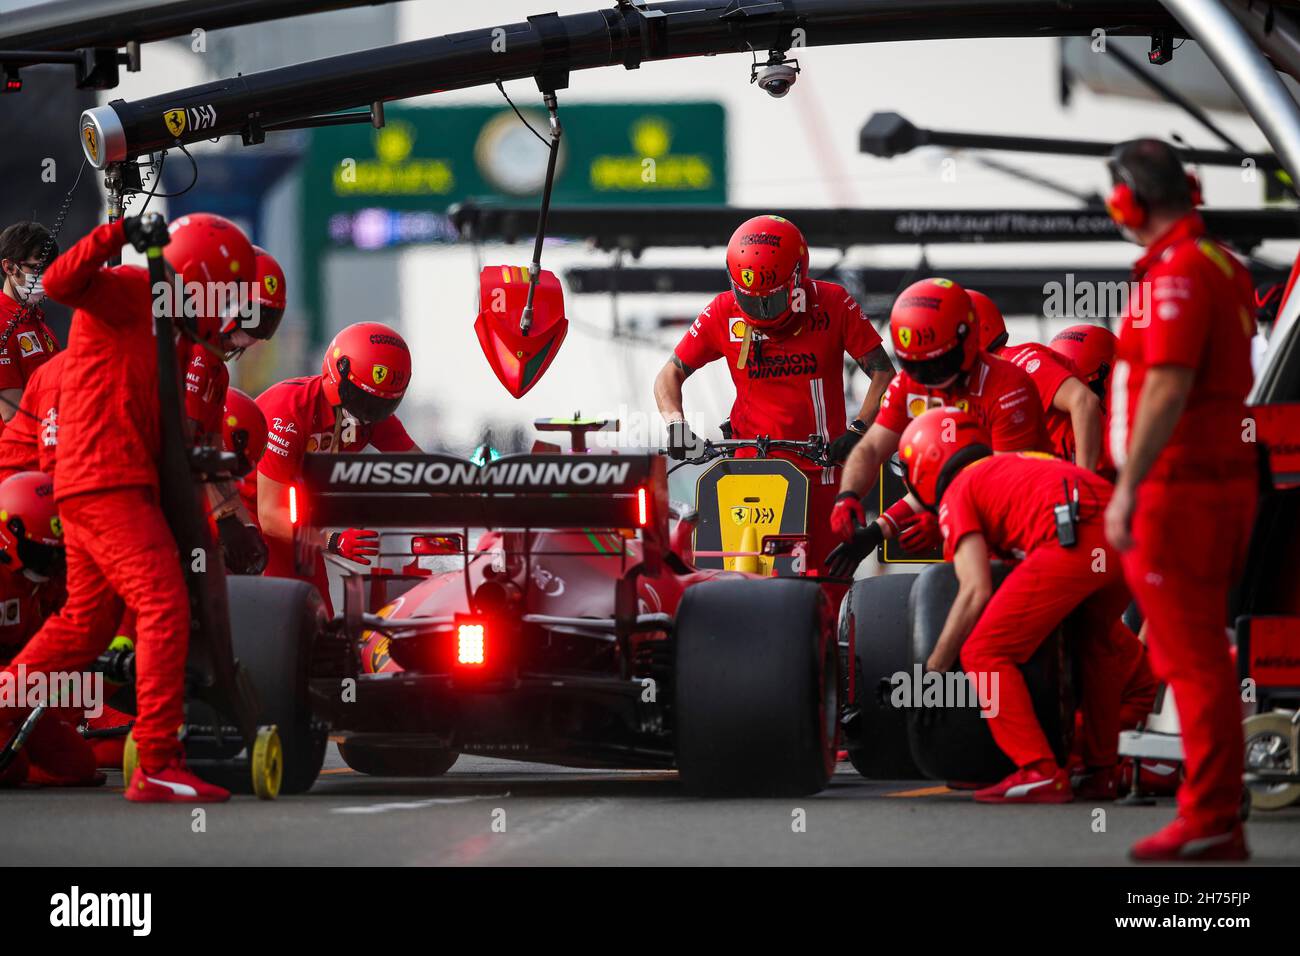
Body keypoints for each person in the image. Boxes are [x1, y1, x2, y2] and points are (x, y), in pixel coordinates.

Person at [1, 211, 257, 803]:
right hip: (105, 481)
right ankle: (158, 763)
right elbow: (63, 281)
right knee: (163, 603)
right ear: (193, 276)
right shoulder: (131, 291)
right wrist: (116, 236)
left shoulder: (168, 322)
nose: (227, 310)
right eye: (223, 291)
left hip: (95, 482)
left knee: (85, 625)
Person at [1102, 138, 1257, 861]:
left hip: (1176, 488)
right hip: (1216, 480)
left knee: (1190, 660)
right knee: (1201, 657)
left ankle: (1212, 816)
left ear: (1126, 200)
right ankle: (1217, 814)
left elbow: (1166, 382)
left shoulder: (1177, 274)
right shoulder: (1222, 265)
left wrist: (1127, 490)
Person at [900, 408, 1139, 803]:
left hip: (1072, 540)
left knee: (984, 650)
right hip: (1121, 533)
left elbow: (975, 589)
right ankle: (1103, 771)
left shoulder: (958, 490)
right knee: (1095, 645)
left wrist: (934, 669)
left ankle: (1040, 770)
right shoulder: (1011, 465)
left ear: (928, 463)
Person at [653, 214, 895, 586]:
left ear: (799, 277)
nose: (762, 312)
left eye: (773, 300)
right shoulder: (721, 311)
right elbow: (670, 374)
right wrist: (675, 423)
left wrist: (858, 429)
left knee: (823, 586)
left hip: (821, 475)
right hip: (748, 474)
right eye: (750, 301)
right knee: (730, 578)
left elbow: (883, 374)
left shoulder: (832, 304)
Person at [828, 277, 1048, 575]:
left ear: (967, 339)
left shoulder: (1010, 387)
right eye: (915, 365)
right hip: (967, 535)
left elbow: (1005, 489)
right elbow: (871, 449)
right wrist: (849, 497)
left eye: (938, 362)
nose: (928, 376)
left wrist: (940, 516)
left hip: (1033, 531)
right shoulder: (908, 385)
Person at [256, 321, 419, 612]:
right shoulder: (288, 410)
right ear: (338, 372)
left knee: (318, 618)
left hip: (299, 524)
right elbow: (269, 514)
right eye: (362, 399)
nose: (368, 414)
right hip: (248, 517)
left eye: (380, 406)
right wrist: (334, 541)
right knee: (278, 616)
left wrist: (485, 493)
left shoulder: (374, 418)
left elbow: (427, 471)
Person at [969, 291, 1104, 472]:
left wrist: (1083, 481)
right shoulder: (982, 387)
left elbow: (1084, 401)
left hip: (1087, 486)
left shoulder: (1016, 363)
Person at [0, 222, 62, 426]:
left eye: (49, 269)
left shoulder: (41, 325)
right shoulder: (2, 323)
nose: (44, 276)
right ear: (9, 267)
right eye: (37, 268)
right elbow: (11, 415)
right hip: (16, 454)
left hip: (47, 449)